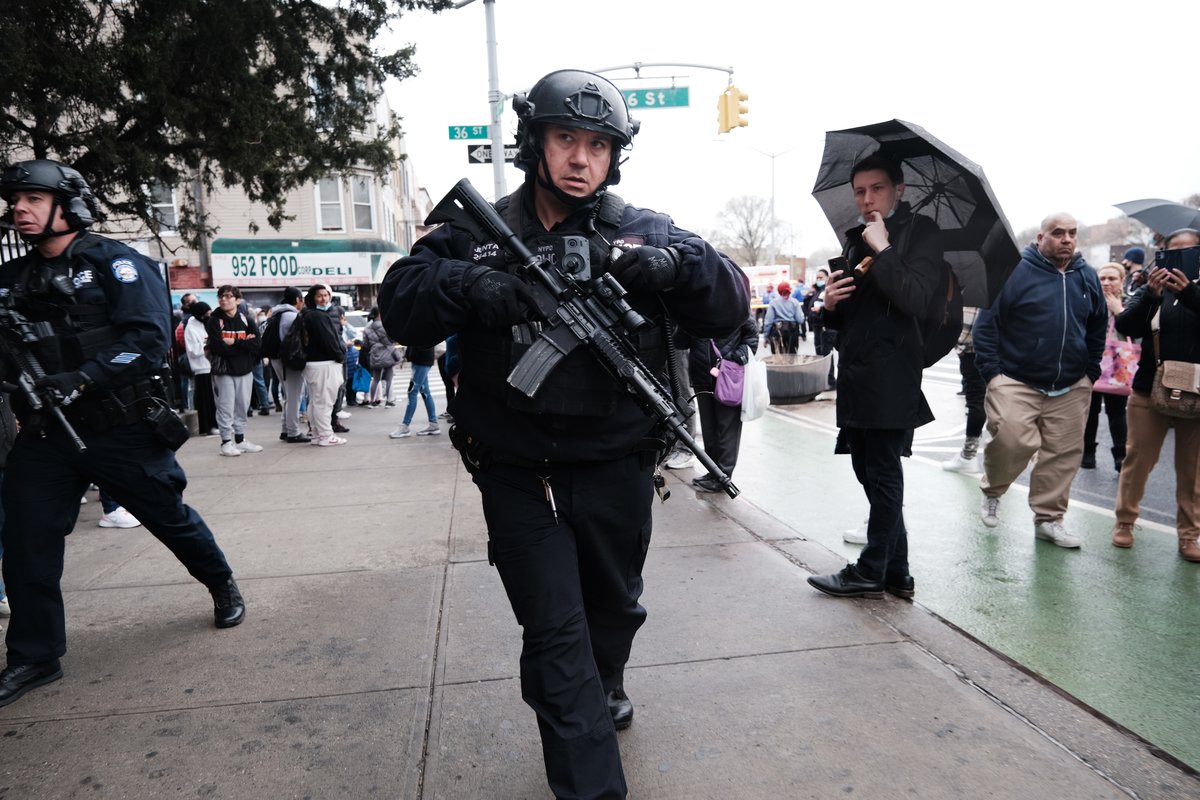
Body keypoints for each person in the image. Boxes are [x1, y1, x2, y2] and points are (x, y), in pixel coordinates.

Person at [377, 68, 748, 800]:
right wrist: (472, 287)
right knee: (554, 636)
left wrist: (671, 267)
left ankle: (599, 678)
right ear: (535, 143)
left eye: (599, 146)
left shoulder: (641, 229)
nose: (582, 159)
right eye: (566, 139)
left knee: (612, 610)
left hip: (615, 464)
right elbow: (400, 303)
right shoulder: (476, 234)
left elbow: (731, 298)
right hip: (516, 470)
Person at [0, 159, 244, 708]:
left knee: (168, 516)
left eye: (33, 199)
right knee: (25, 540)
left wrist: (80, 378)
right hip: (45, 436)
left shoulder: (117, 264)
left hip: (120, 427)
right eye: (16, 199)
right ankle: (35, 655)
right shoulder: (12, 280)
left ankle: (220, 581)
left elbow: (150, 343)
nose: (19, 208)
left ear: (69, 206)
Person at [806, 154, 943, 601]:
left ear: (899, 189)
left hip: (894, 373)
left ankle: (870, 570)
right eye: (860, 191)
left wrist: (884, 248)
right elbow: (850, 319)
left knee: (883, 472)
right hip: (858, 373)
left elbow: (916, 300)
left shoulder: (920, 234)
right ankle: (897, 571)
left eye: (877, 189)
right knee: (867, 468)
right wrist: (829, 306)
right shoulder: (853, 240)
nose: (867, 199)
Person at [973, 212, 1106, 548]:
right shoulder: (1014, 272)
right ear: (1040, 238)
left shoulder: (1086, 276)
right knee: (1013, 439)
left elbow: (1097, 326)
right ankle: (993, 490)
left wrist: (1090, 372)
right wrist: (993, 376)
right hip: (1017, 379)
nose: (1066, 239)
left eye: (1072, 233)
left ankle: (1049, 518)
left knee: (1063, 455)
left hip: (1072, 384)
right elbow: (986, 326)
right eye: (1058, 233)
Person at [1111, 228, 1200, 560]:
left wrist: (1189, 292)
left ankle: (1189, 535)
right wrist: (1150, 292)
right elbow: (1127, 326)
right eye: (1171, 252)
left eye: (1188, 252)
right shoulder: (1150, 288)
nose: (1177, 258)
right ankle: (1124, 522)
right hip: (1150, 388)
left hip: (1198, 391)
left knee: (1193, 471)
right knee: (1138, 461)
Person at [677, 315, 759, 492]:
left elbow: (751, 336)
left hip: (728, 376)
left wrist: (734, 359)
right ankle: (713, 471)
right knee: (709, 429)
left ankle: (723, 476)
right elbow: (680, 342)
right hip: (702, 376)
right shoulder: (692, 309)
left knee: (727, 428)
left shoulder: (733, 302)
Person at [1081, 263, 1130, 471]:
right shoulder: (1088, 299)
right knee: (1090, 410)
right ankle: (1088, 453)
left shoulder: (1131, 303)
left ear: (1122, 281)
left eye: (1112, 278)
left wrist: (1119, 311)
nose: (1107, 283)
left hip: (1118, 363)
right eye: (1102, 279)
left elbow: (1136, 333)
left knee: (1117, 411)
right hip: (1090, 361)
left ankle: (1120, 456)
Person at [205, 285, 263, 457]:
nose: (224, 299)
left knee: (242, 406)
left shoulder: (246, 319)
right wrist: (245, 344)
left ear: (238, 300)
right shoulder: (215, 320)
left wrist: (235, 342)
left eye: (228, 296)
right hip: (224, 371)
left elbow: (257, 345)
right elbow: (219, 348)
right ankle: (225, 442)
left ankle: (240, 439)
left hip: (245, 370)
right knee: (225, 407)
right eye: (221, 296)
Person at [299, 284, 346, 447]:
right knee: (324, 403)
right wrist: (340, 356)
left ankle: (317, 434)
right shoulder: (318, 316)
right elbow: (330, 341)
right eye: (319, 296)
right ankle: (326, 435)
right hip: (324, 364)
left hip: (313, 364)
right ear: (312, 298)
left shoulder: (306, 314)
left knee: (316, 401)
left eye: (326, 295)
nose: (323, 299)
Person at [942, 306, 986, 473]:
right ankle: (1002, 460)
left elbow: (967, 328)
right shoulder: (1009, 284)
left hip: (975, 353)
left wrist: (959, 346)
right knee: (1001, 405)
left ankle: (969, 455)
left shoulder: (977, 289)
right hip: (1003, 353)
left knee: (976, 401)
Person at [266, 287, 309, 443]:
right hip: (288, 360)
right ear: (298, 300)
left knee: (288, 395)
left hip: (276, 359)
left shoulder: (277, 314)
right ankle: (293, 432)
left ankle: (286, 429)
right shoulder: (292, 316)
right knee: (294, 396)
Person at [388, 343, 439, 438]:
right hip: (420, 357)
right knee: (425, 392)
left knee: (413, 392)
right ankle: (433, 423)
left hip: (421, 358)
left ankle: (405, 426)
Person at [184, 301, 217, 436]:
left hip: (212, 366)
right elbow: (192, 350)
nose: (209, 315)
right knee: (205, 399)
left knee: (215, 399)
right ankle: (208, 426)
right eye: (207, 314)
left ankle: (216, 423)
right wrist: (206, 343)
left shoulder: (205, 324)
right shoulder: (190, 328)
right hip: (201, 367)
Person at [361, 306, 403, 407]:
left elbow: (366, 345)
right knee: (389, 379)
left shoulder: (367, 329)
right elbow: (393, 340)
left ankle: (372, 401)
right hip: (388, 354)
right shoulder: (387, 326)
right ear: (380, 314)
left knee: (375, 379)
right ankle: (388, 401)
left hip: (375, 355)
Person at [804, 268, 837, 389]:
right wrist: (809, 295)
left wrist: (821, 309)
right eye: (817, 278)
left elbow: (832, 308)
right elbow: (807, 307)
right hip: (817, 327)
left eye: (821, 278)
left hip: (825, 327)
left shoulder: (829, 291)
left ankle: (830, 381)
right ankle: (824, 380)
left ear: (827, 278)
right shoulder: (817, 292)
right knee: (819, 354)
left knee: (826, 354)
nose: (818, 280)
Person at [762, 281, 804, 354]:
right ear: (790, 290)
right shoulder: (795, 302)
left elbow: (768, 322)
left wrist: (765, 337)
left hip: (778, 331)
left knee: (778, 358)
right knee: (792, 358)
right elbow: (800, 320)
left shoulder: (773, 302)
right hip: (792, 331)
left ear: (778, 291)